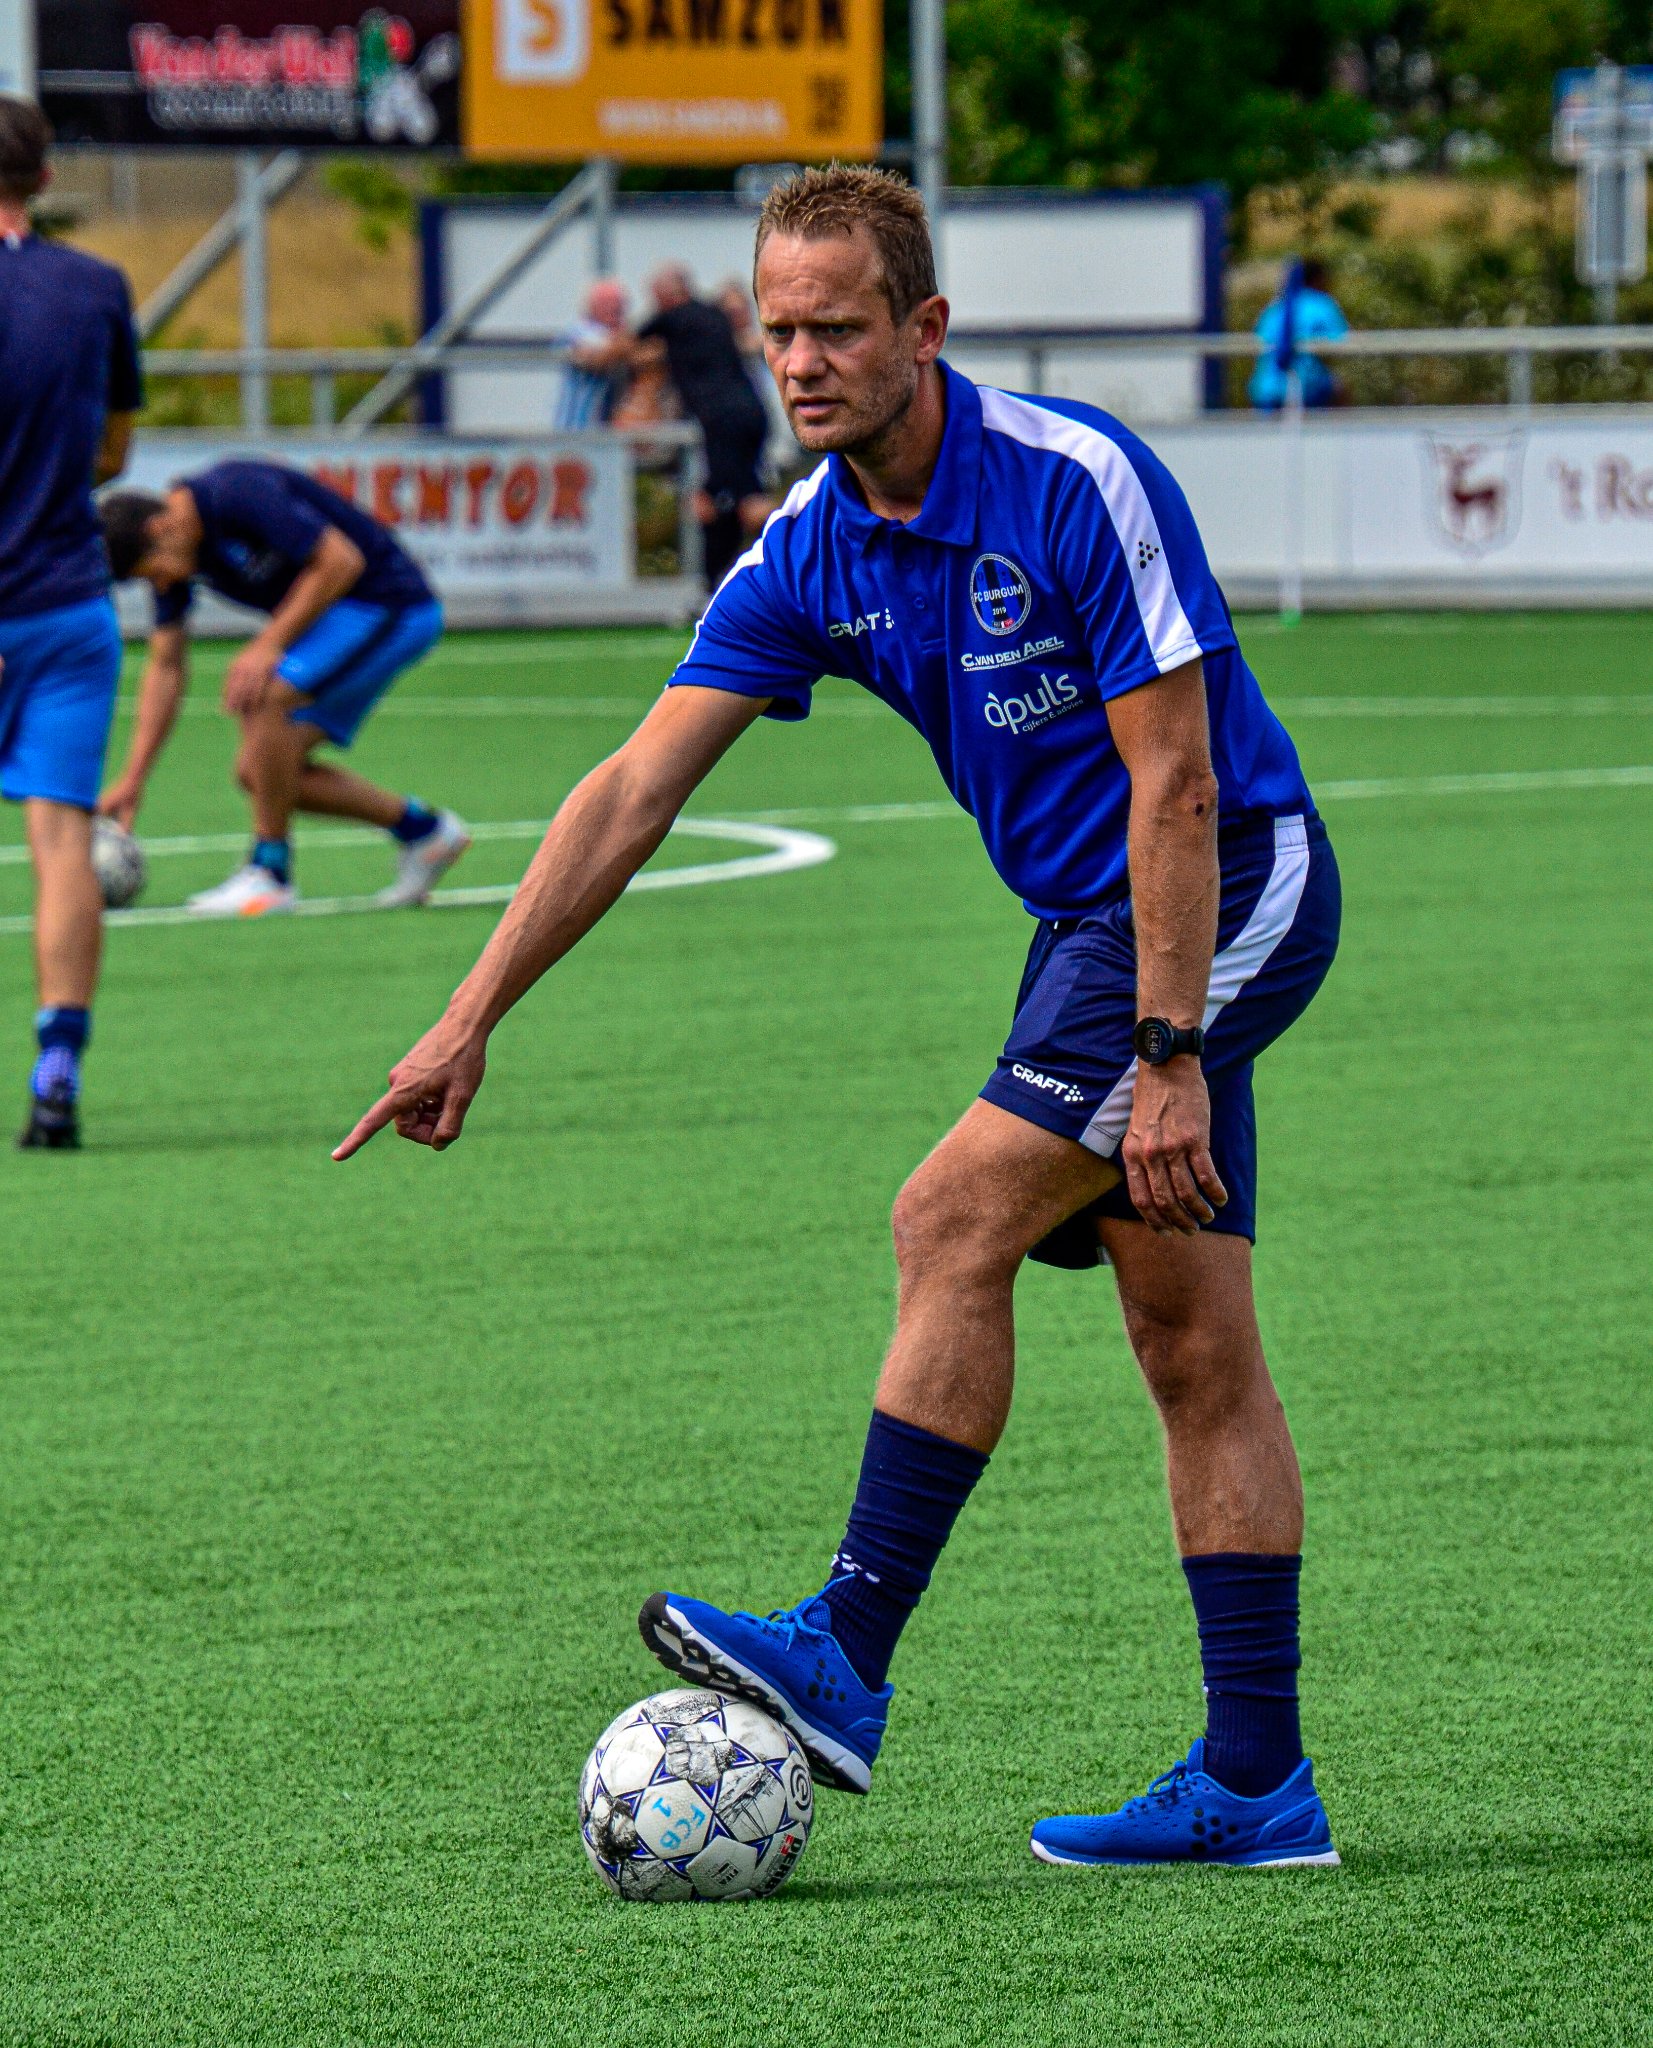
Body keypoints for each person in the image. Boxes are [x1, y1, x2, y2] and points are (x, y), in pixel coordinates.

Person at [334, 166, 1344, 1870]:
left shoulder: (1074, 479)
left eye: (837, 328)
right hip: (1086, 934)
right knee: (1189, 1341)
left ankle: (846, 1651)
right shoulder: (807, 545)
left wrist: (1170, 1053)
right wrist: (468, 1012)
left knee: (946, 1214)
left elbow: (1175, 783)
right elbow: (633, 788)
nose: (800, 362)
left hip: (1224, 888)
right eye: (777, 329)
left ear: (923, 327)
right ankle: (1257, 1786)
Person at [99, 461, 469, 917]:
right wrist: (133, 779)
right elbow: (166, 666)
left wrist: (267, 645)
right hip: (341, 618)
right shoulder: (179, 551)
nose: (159, 583)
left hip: (387, 602)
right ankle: (426, 834)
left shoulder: (235, 492)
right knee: (261, 772)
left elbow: (341, 561)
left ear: (160, 528)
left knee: (266, 696)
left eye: (151, 572)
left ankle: (270, 873)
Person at [0, 97, 141, 1150]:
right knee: (61, 843)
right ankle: (57, 1068)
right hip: (64, 599)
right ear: (44, 178)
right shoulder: (96, 288)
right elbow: (113, 452)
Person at [636, 264, 772, 588]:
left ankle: (722, 580)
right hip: (751, 414)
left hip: (723, 422)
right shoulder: (715, 316)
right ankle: (721, 579)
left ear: (667, 295)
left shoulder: (672, 318)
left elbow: (631, 344)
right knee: (732, 494)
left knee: (731, 501)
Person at [1249, 258, 1349, 411]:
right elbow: (1340, 344)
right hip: (1308, 390)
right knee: (1340, 390)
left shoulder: (1273, 309)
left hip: (1265, 391)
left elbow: (1260, 344)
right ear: (1319, 279)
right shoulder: (1322, 304)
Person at [554, 278, 631, 431]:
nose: (614, 309)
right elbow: (594, 356)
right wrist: (623, 345)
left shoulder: (624, 334)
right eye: (607, 303)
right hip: (577, 424)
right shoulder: (578, 331)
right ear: (592, 307)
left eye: (618, 304)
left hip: (610, 427)